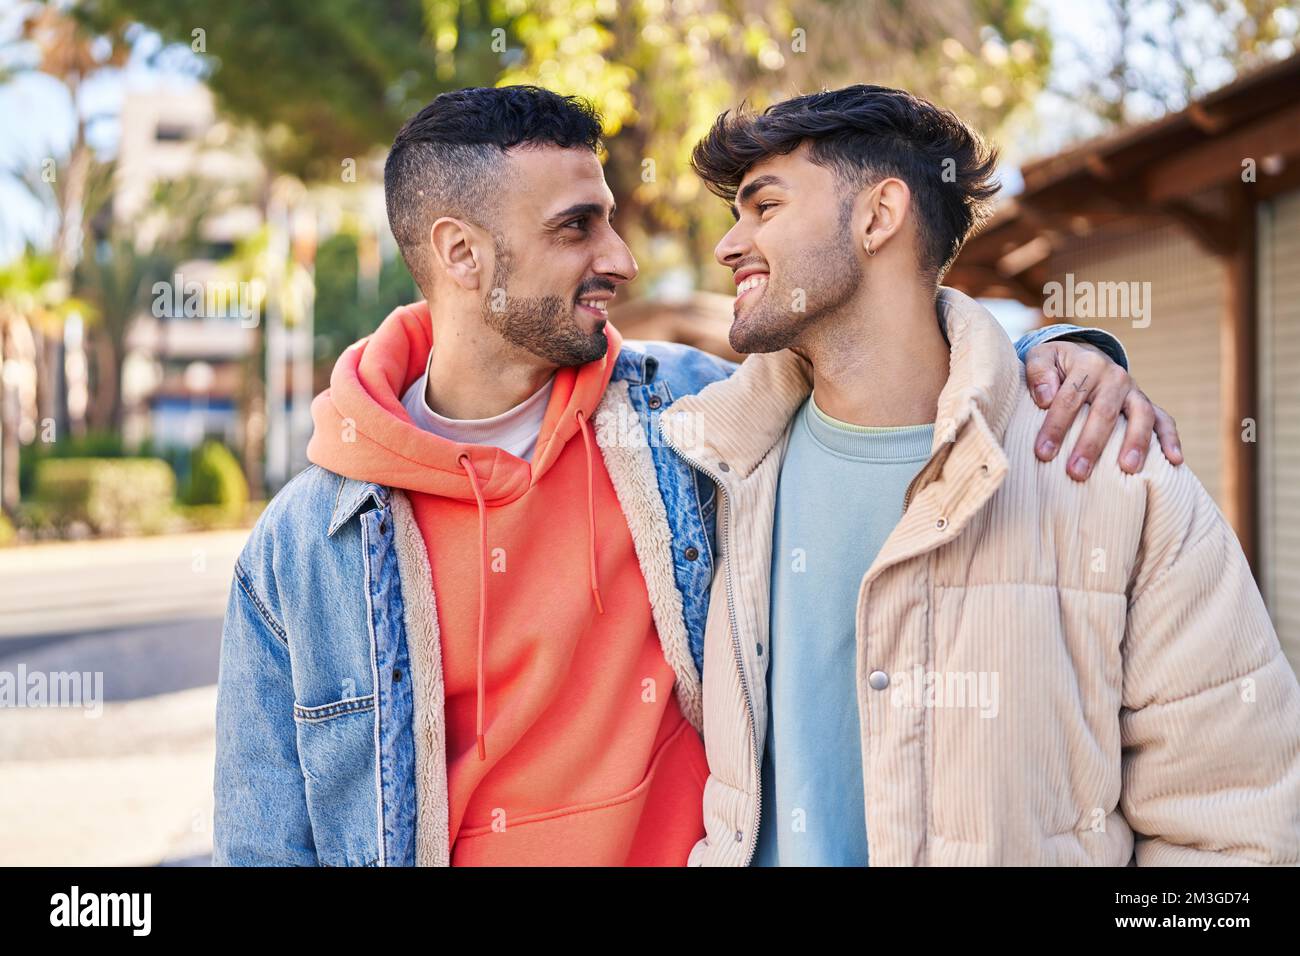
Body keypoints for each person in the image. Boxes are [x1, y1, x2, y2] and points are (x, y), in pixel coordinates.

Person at [212, 85, 1175, 866]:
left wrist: (1061, 349)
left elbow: (888, 347)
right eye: (577, 228)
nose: (621, 260)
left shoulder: (697, 420)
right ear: (462, 254)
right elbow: (265, 849)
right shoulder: (301, 552)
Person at [664, 84, 1300, 866]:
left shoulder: (1113, 480)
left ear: (878, 216)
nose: (729, 245)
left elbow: (1237, 836)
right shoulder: (706, 470)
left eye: (762, 208)